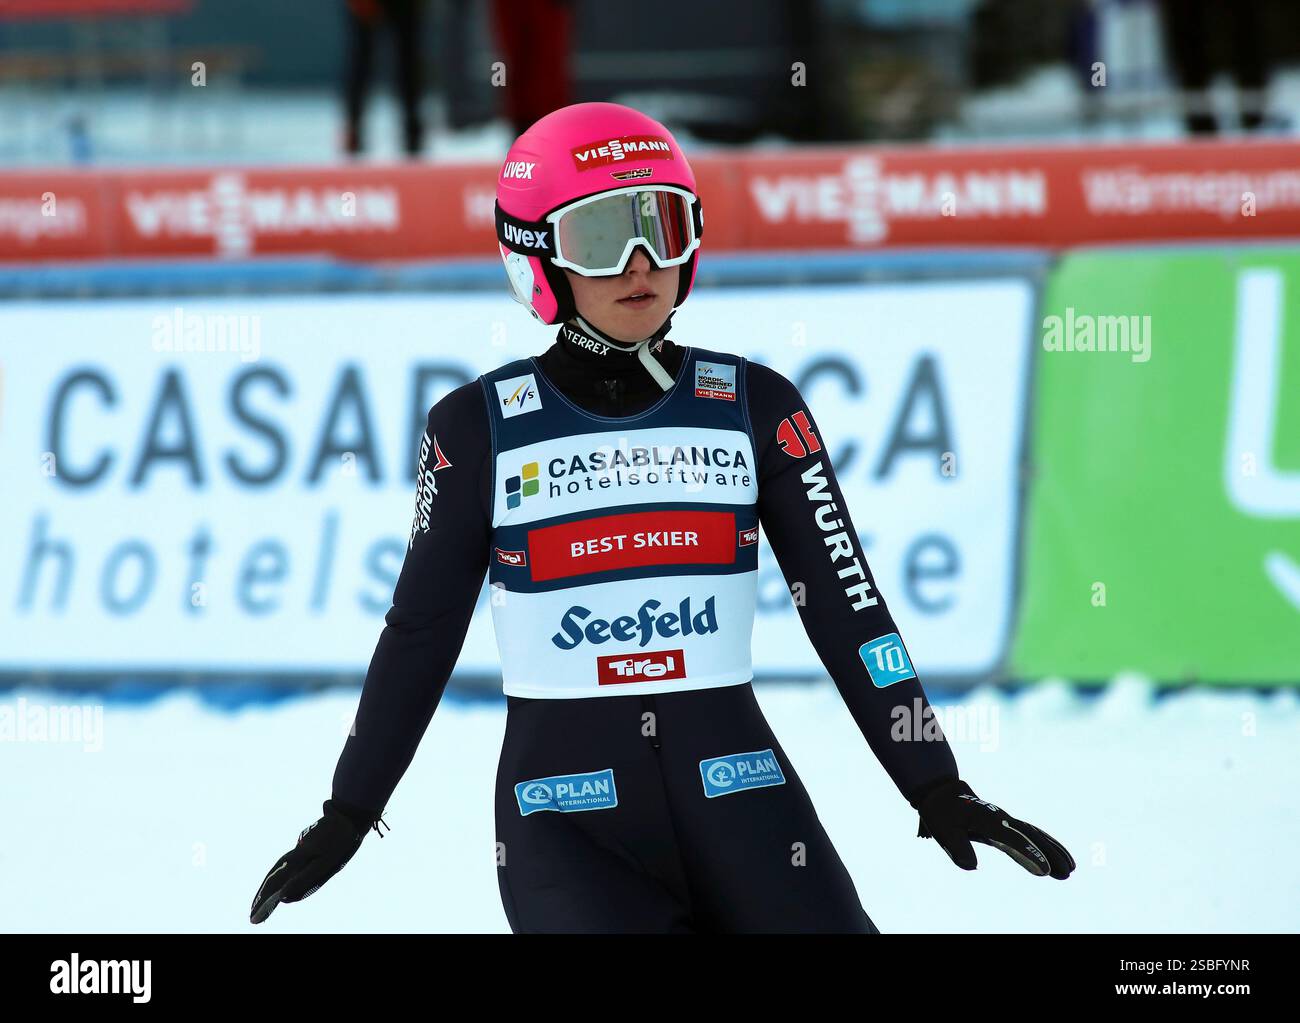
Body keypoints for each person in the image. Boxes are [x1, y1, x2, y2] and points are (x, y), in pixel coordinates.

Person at [250, 103, 1074, 933]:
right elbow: (420, 633)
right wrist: (351, 809)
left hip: (748, 806)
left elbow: (850, 608)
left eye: (664, 225)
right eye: (603, 236)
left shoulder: (756, 406)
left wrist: (935, 782)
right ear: (536, 256)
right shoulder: (477, 428)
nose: (641, 262)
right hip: (567, 832)